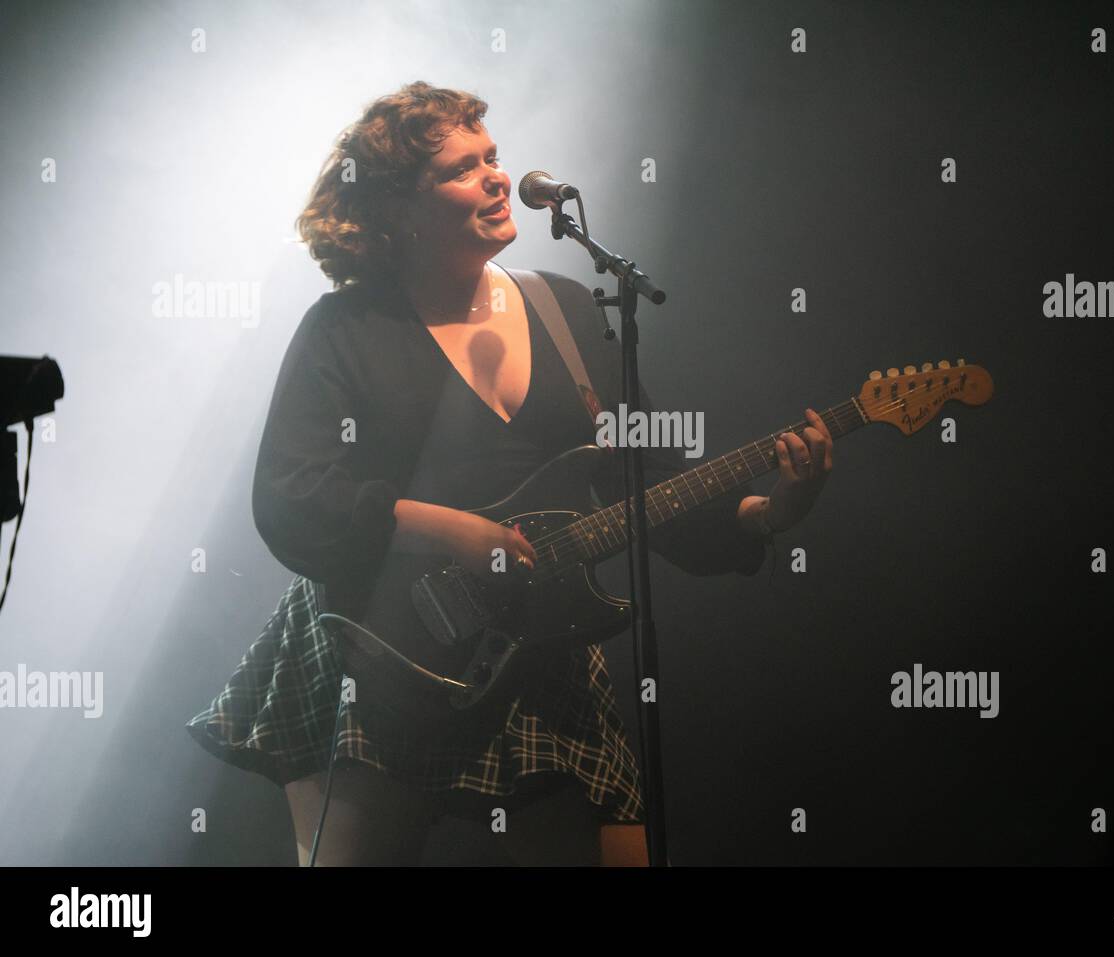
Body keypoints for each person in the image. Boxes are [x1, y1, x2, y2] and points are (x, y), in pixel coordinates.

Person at [186, 81, 832, 866]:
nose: (498, 177)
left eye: (493, 157)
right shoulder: (346, 329)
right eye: (464, 169)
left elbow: (650, 483)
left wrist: (771, 510)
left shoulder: (564, 308)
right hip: (382, 642)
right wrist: (444, 530)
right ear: (400, 210)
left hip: (540, 633)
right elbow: (289, 496)